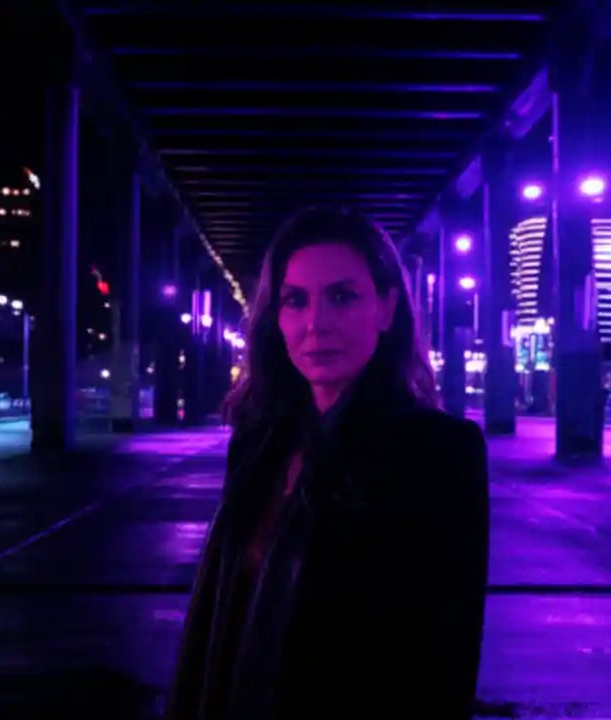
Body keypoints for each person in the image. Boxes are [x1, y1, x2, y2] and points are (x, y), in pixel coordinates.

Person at [166, 206, 490, 720]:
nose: (316, 323)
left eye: (342, 296)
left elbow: (444, 657)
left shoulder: (438, 451)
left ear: (385, 309)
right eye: (295, 300)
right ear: (276, 318)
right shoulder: (259, 442)